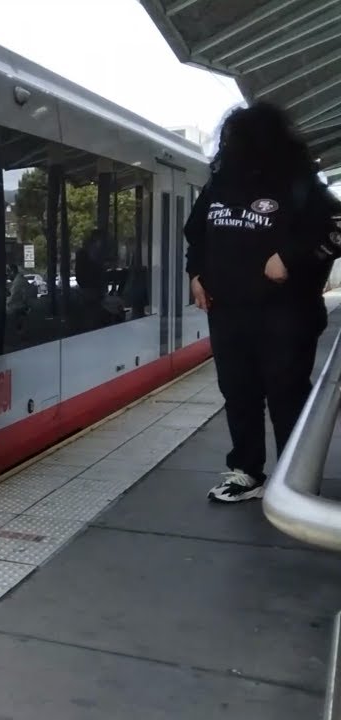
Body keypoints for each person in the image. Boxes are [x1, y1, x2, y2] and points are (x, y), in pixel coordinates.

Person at [184, 101, 341, 503]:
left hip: (286, 314)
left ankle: (293, 477)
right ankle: (246, 471)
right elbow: (196, 235)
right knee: (238, 392)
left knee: (287, 394)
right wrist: (195, 273)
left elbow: (337, 228)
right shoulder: (219, 186)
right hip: (227, 312)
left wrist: (290, 257)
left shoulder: (299, 185)